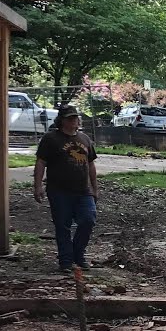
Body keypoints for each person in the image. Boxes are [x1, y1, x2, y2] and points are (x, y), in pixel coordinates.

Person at [33, 105, 99, 271]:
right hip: (59, 190)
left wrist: (95, 188)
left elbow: (91, 164)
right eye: (69, 118)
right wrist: (38, 185)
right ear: (61, 121)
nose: (73, 121)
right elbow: (41, 162)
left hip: (83, 190)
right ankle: (66, 261)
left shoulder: (85, 139)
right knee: (63, 225)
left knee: (88, 219)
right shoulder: (51, 139)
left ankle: (78, 253)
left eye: (75, 118)